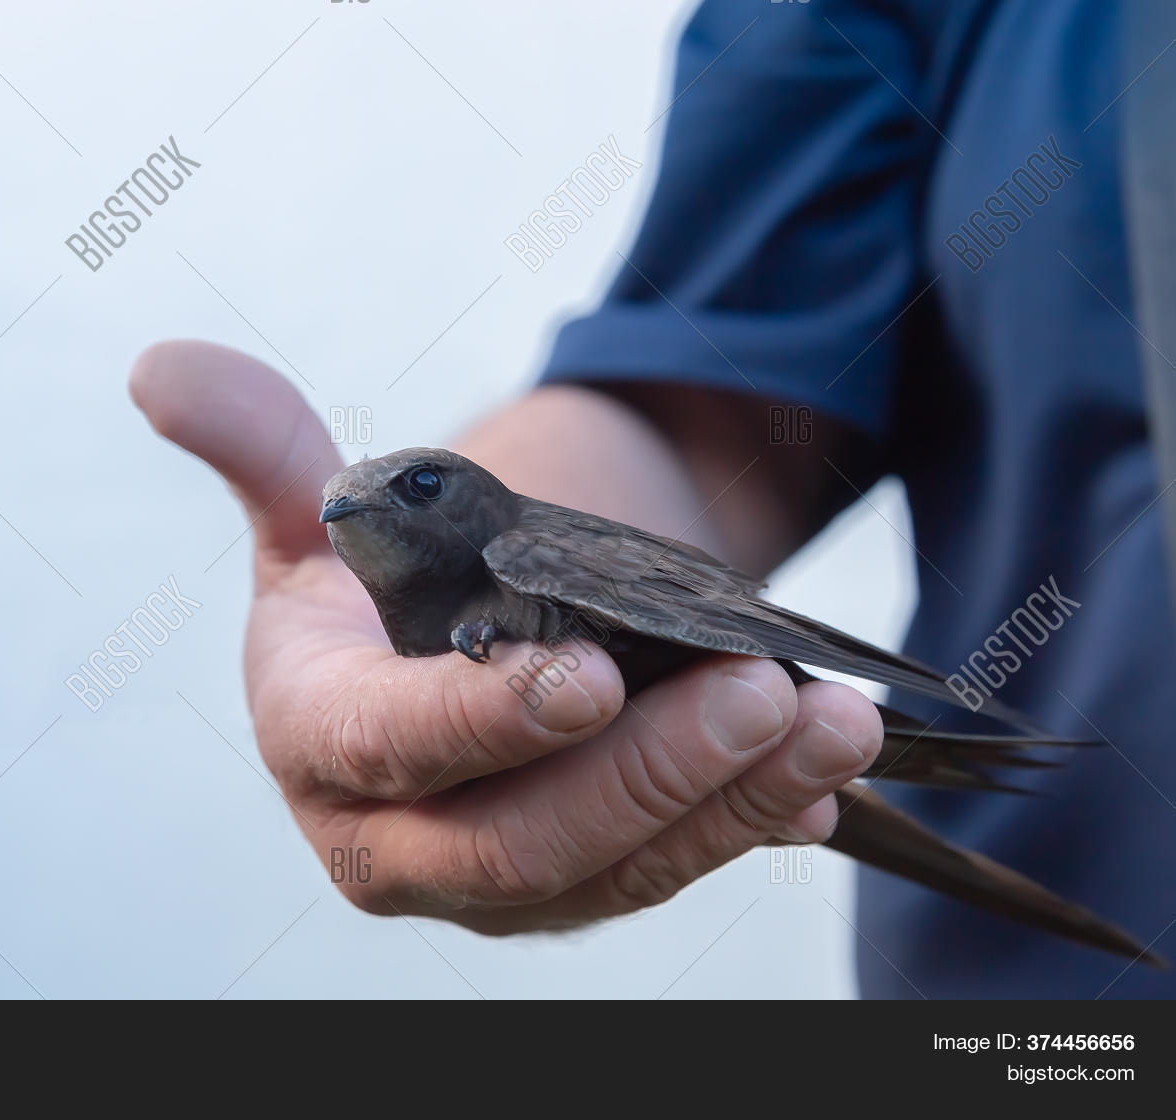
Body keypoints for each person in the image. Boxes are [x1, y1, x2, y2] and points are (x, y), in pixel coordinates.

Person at [130, 0, 1175, 997]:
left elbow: (611, 561)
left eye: (416, 488)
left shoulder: (525, 550)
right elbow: (709, 393)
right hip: (1050, 1022)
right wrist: (355, 685)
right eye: (354, 511)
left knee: (820, 735)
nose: (365, 513)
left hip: (983, 817)